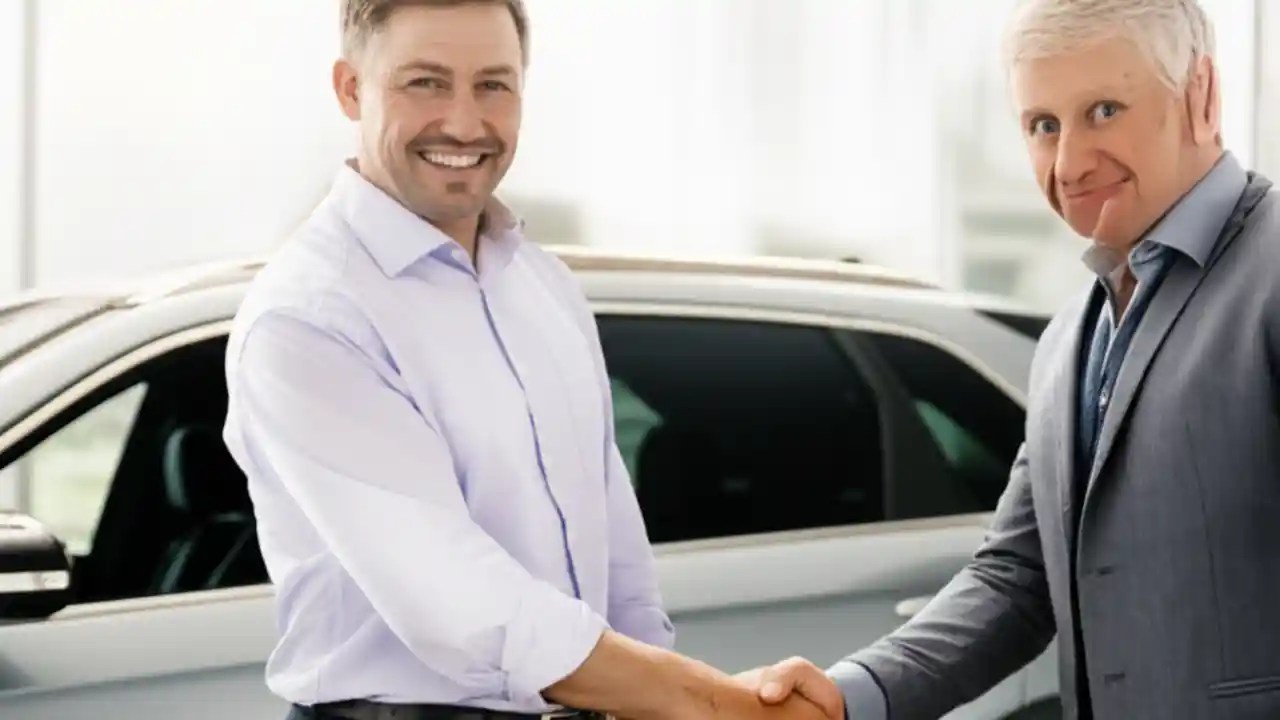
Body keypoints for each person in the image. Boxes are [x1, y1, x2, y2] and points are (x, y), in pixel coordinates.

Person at [222, 2, 829, 720]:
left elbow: (619, 561)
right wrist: (722, 707)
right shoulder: (310, 317)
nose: (464, 122)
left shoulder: (543, 286)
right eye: (425, 83)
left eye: (493, 84)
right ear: (352, 88)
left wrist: (672, 705)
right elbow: (459, 602)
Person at [739, 1, 1280, 718]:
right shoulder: (1068, 338)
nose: (1070, 163)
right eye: (1043, 126)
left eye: (1105, 110)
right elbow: (1019, 577)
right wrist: (846, 697)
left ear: (1203, 96)